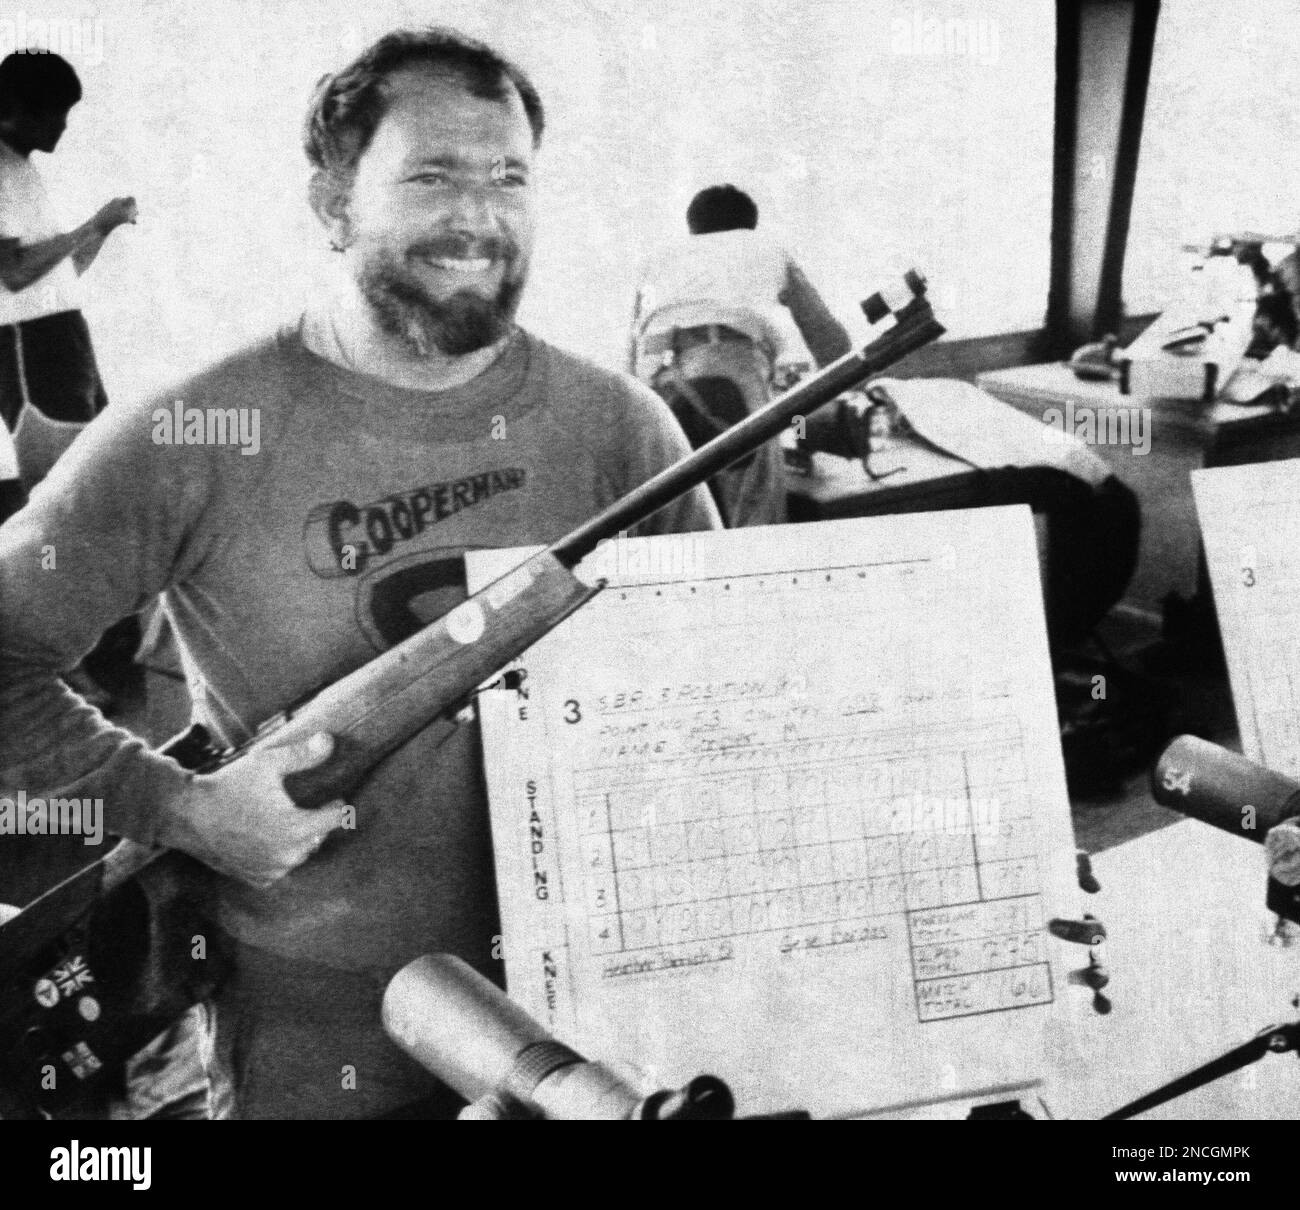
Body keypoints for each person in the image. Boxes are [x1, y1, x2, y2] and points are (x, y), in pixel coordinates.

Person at [0, 26, 719, 1120]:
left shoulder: (622, 427)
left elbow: (741, 690)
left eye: (508, 177)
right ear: (333, 205)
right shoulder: (201, 427)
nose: (478, 216)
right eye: (430, 175)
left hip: (598, 1006)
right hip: (315, 1020)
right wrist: (179, 807)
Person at [629, 184, 852, 526]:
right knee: (755, 521)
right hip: (724, 376)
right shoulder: (765, 247)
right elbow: (832, 343)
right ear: (751, 225)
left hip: (653, 385)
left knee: (674, 524)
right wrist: (831, 406)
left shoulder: (657, 260)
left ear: (692, 228)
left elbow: (630, 352)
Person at [0, 50, 136, 489]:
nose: (63, 124)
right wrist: (89, 225)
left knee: (93, 476)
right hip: (31, 341)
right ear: (19, 110)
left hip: (64, 335)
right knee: (63, 488)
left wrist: (104, 229)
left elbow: (60, 273)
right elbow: (14, 273)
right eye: (57, 112)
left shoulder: (22, 170)